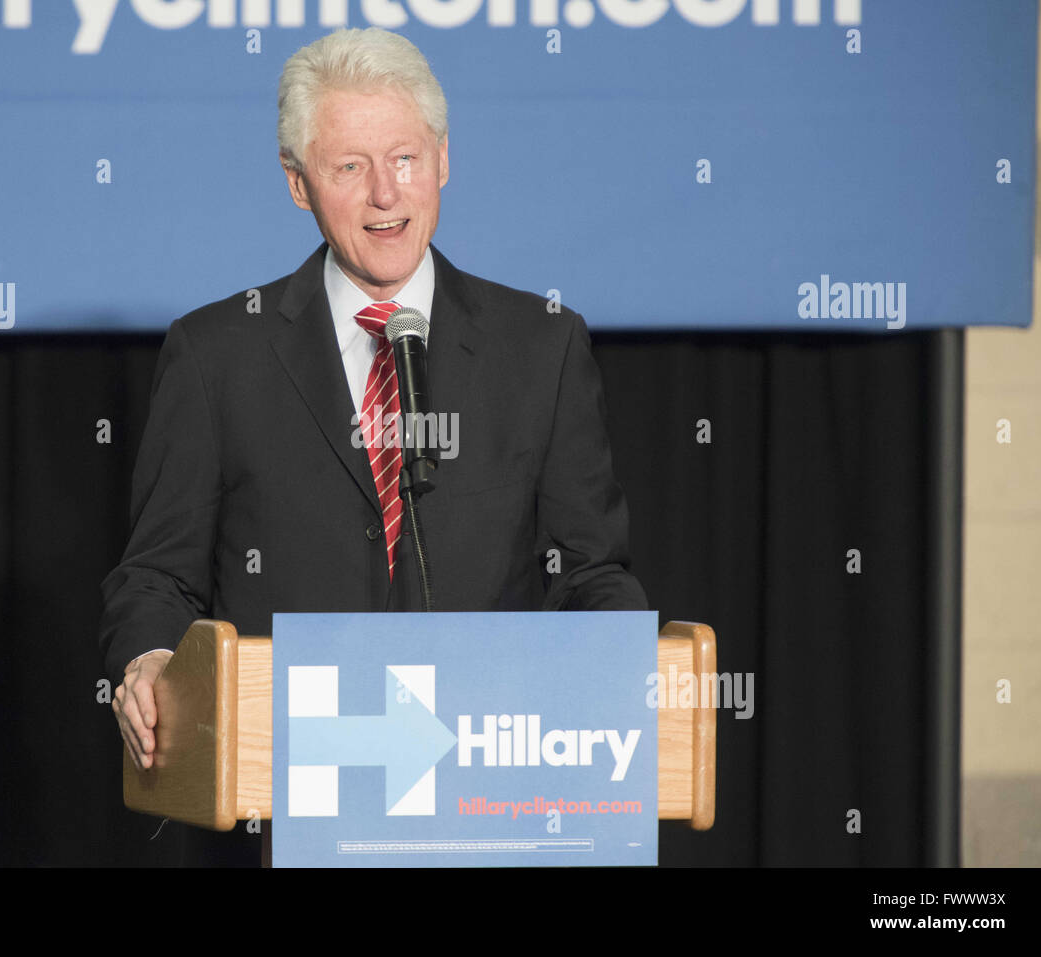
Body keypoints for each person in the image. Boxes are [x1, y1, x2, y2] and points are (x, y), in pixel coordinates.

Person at [100, 27, 646, 778]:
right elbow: (159, 574)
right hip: (283, 779)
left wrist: (628, 673)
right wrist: (154, 659)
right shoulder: (217, 355)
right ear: (298, 183)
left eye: (405, 159)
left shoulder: (541, 348)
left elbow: (590, 574)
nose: (385, 193)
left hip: (491, 781)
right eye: (350, 166)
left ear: (444, 160)